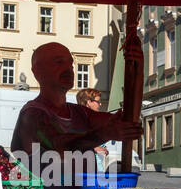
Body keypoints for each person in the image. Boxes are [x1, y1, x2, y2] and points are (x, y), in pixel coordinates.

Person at [11, 42, 139, 169]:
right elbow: (59, 146)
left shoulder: (79, 112)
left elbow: (125, 120)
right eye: (59, 62)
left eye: (70, 63)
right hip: (48, 188)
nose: (69, 68)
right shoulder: (32, 115)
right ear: (37, 71)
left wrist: (136, 67)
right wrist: (106, 133)